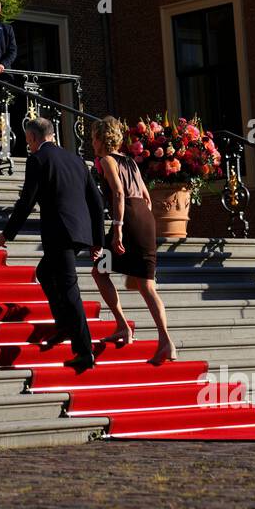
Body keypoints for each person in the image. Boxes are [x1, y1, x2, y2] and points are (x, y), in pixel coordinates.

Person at [0, 117, 105, 370]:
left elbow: (27, 201)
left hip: (60, 232)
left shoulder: (38, 160)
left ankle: (85, 351)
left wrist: (8, 233)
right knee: (45, 272)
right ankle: (64, 326)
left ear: (34, 138)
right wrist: (97, 240)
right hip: (80, 231)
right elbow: (97, 203)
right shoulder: (77, 160)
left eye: (28, 142)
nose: (29, 147)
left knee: (69, 288)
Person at [89, 116, 178, 365]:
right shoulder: (130, 161)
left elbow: (118, 192)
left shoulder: (106, 160)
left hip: (128, 218)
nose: (92, 142)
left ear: (101, 139)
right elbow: (147, 198)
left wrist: (118, 228)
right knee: (147, 285)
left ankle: (123, 325)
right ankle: (165, 341)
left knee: (99, 270)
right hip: (144, 217)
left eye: (94, 137)